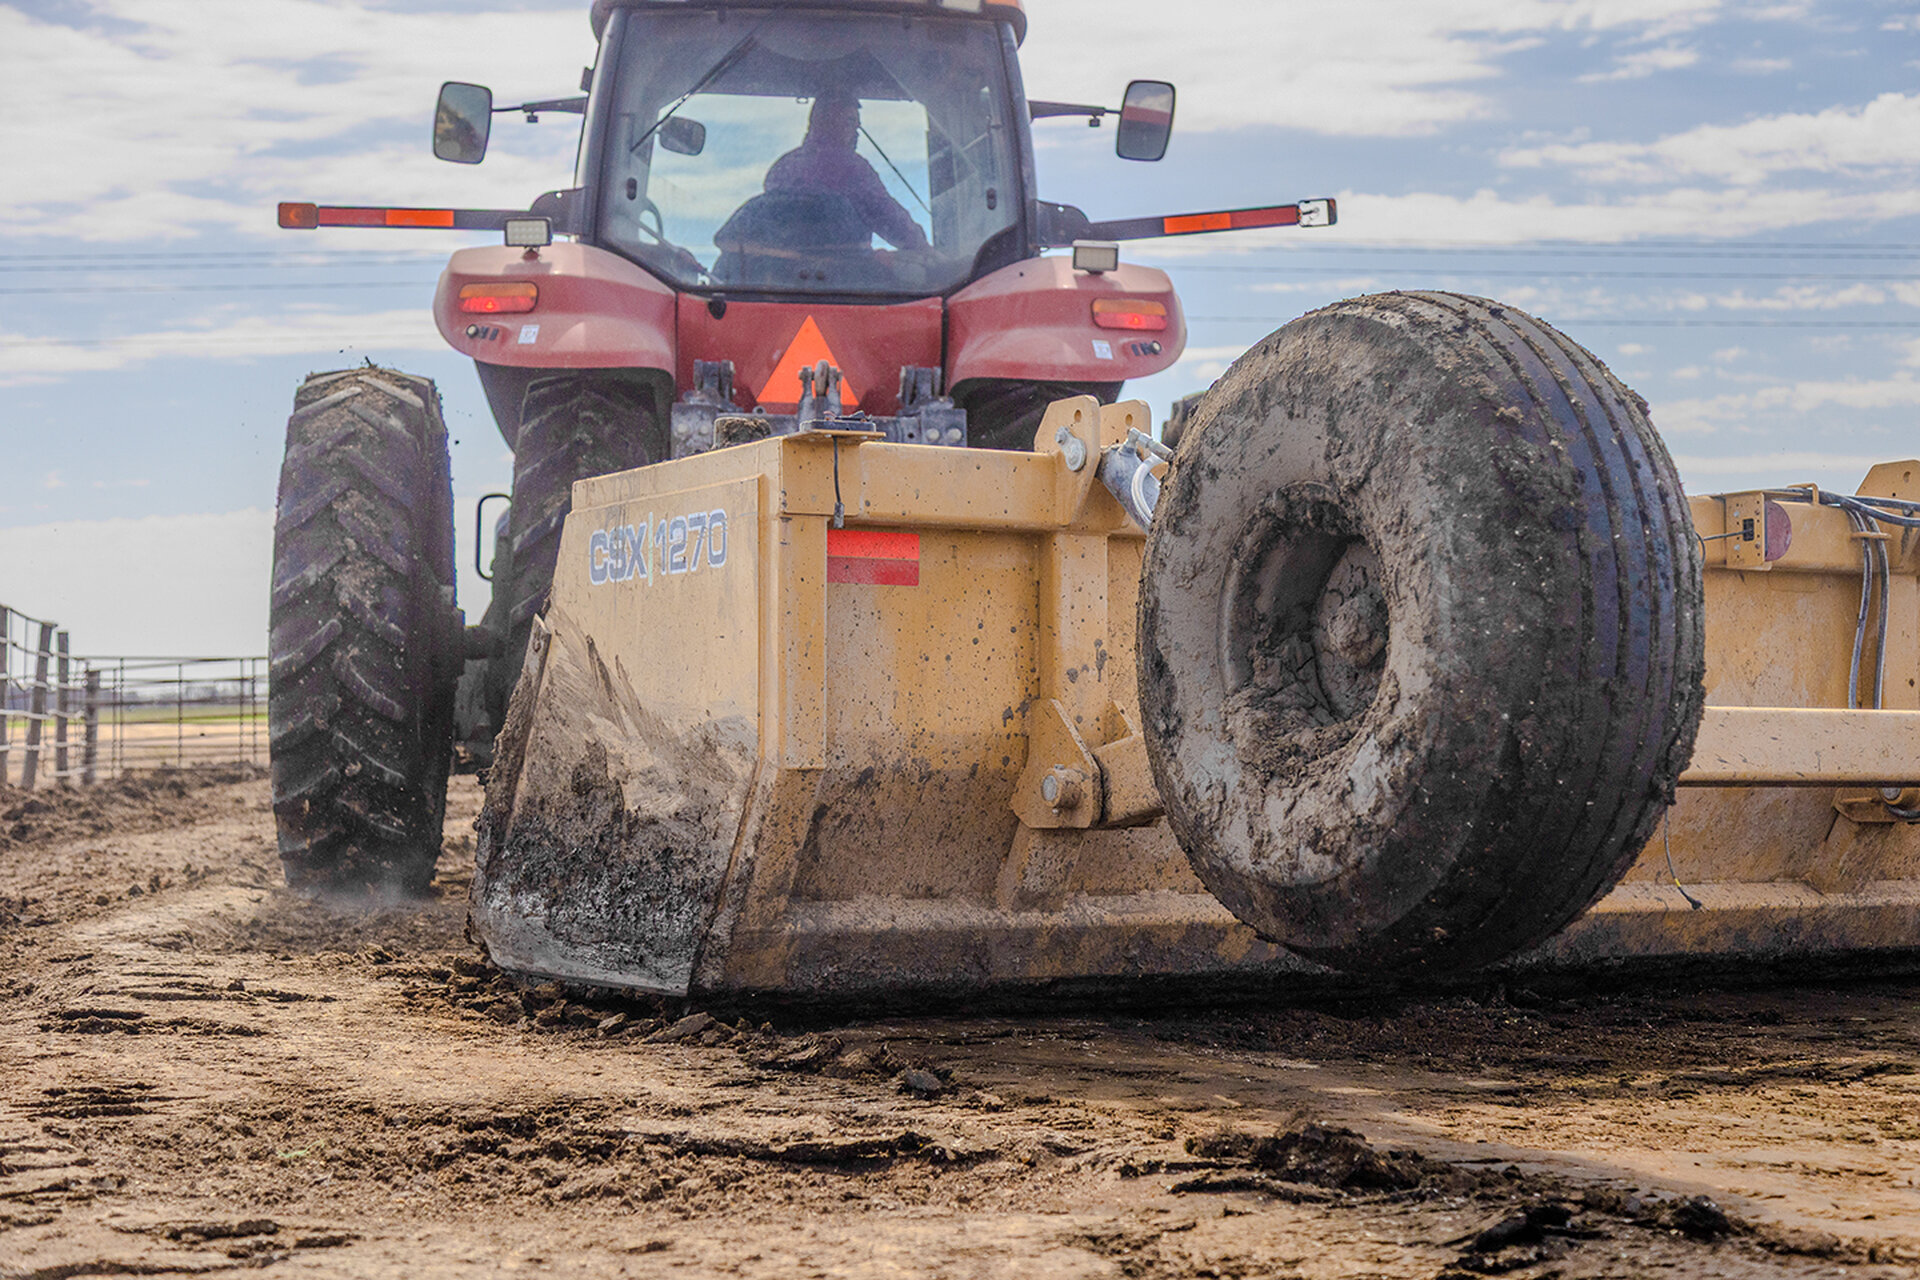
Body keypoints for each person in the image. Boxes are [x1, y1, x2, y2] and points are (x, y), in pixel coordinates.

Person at [764, 95, 930, 251]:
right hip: (841, 272)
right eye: (850, 122)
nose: (857, 131)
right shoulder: (852, 167)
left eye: (858, 125)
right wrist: (922, 247)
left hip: (785, 272)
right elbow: (886, 216)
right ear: (823, 122)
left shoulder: (780, 168)